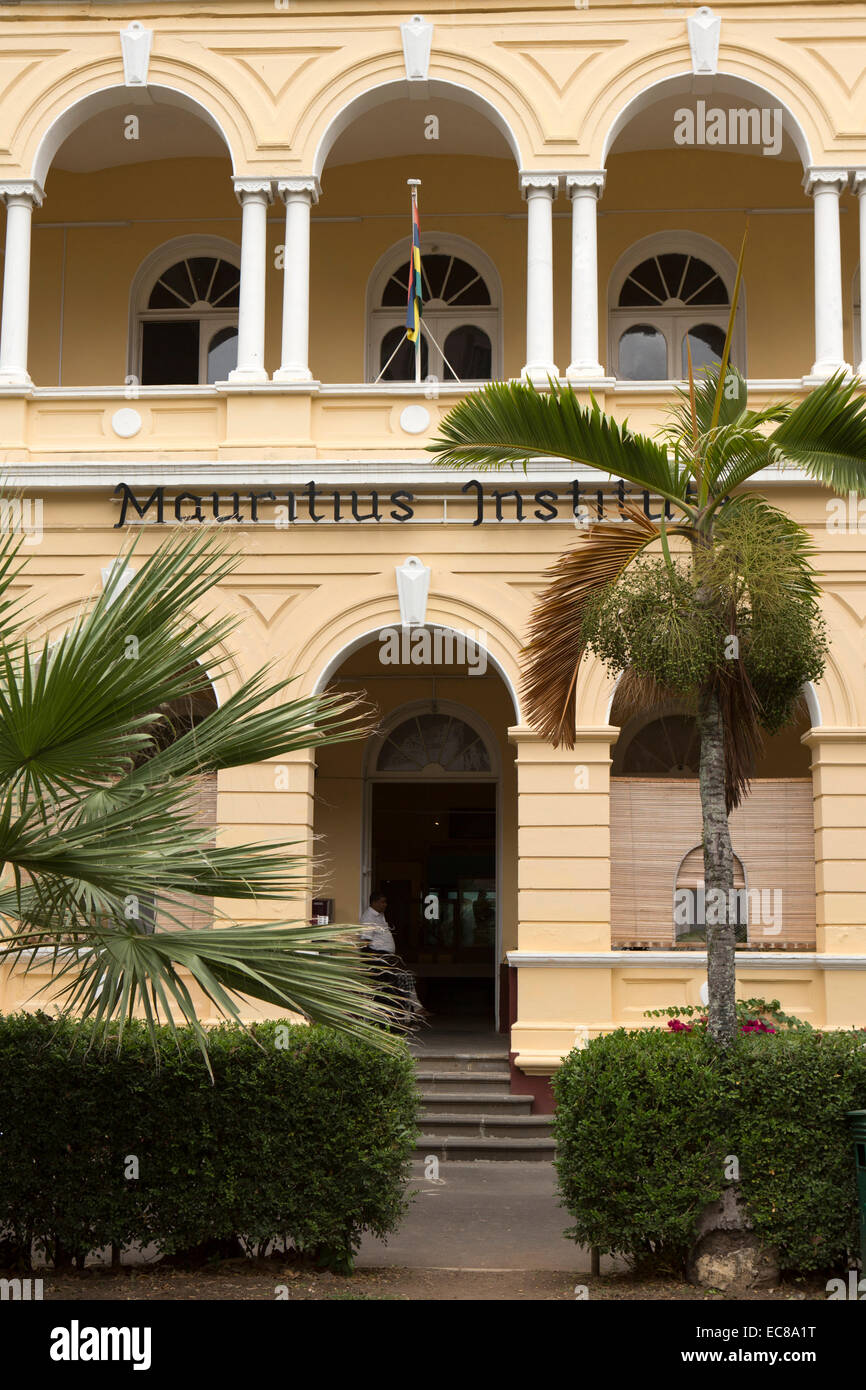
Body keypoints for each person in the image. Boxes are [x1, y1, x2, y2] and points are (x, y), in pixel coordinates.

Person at [359, 892, 429, 1023]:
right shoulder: (369, 917)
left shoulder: (380, 916)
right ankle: (407, 1012)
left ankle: (415, 1009)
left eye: (385, 902)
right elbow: (365, 943)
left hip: (388, 957)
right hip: (379, 959)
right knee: (393, 986)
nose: (385, 905)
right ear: (373, 902)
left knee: (404, 980)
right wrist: (374, 962)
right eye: (382, 902)